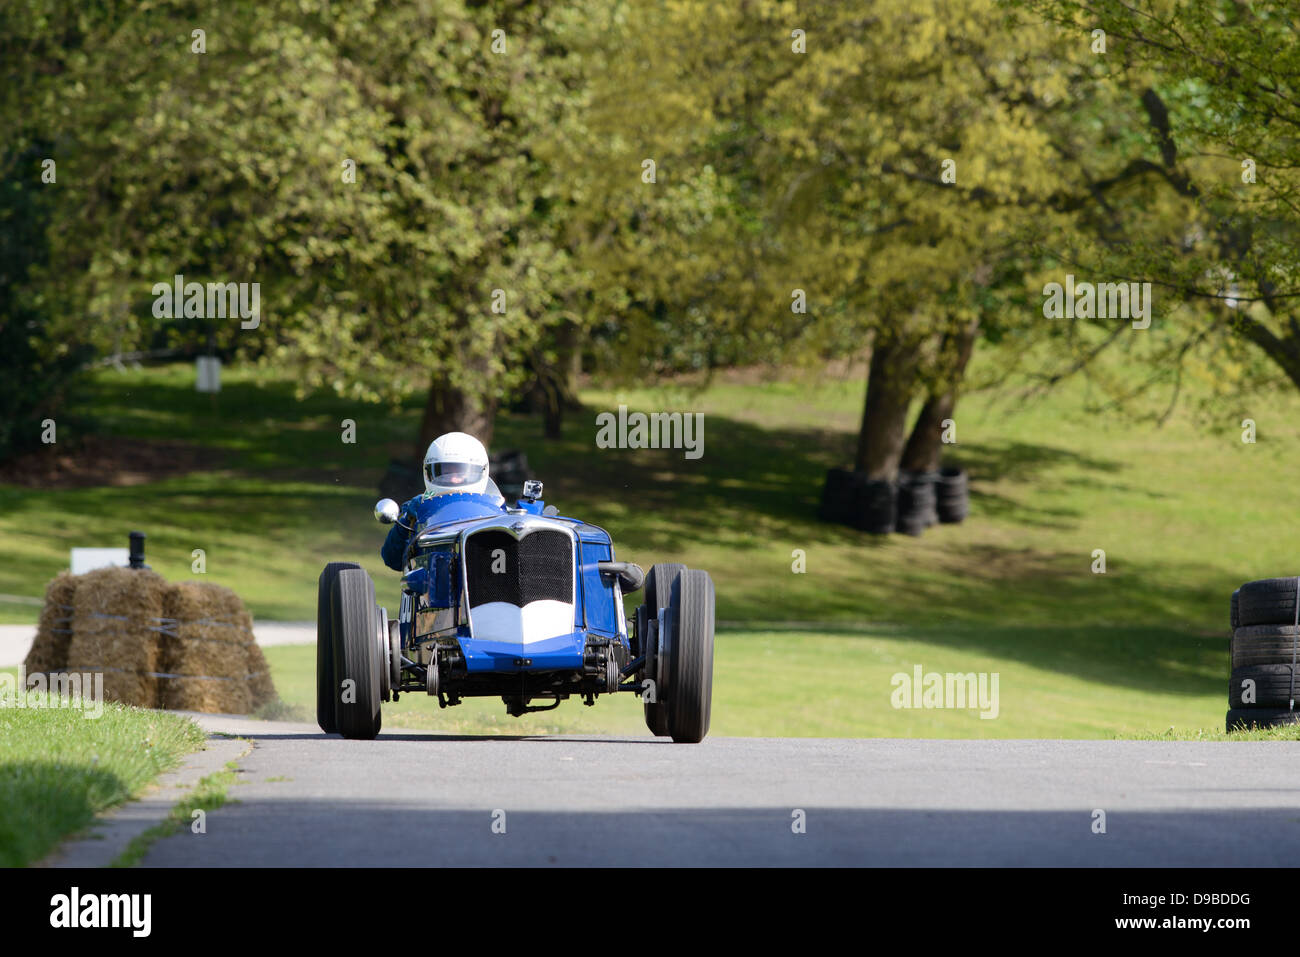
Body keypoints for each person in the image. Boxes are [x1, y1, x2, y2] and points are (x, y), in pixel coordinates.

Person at [380, 432, 502, 570]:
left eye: (461, 472)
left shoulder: (497, 514)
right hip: (431, 587)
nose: (454, 478)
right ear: (429, 471)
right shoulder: (420, 511)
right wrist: (408, 518)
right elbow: (392, 559)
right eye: (446, 472)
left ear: (482, 471)